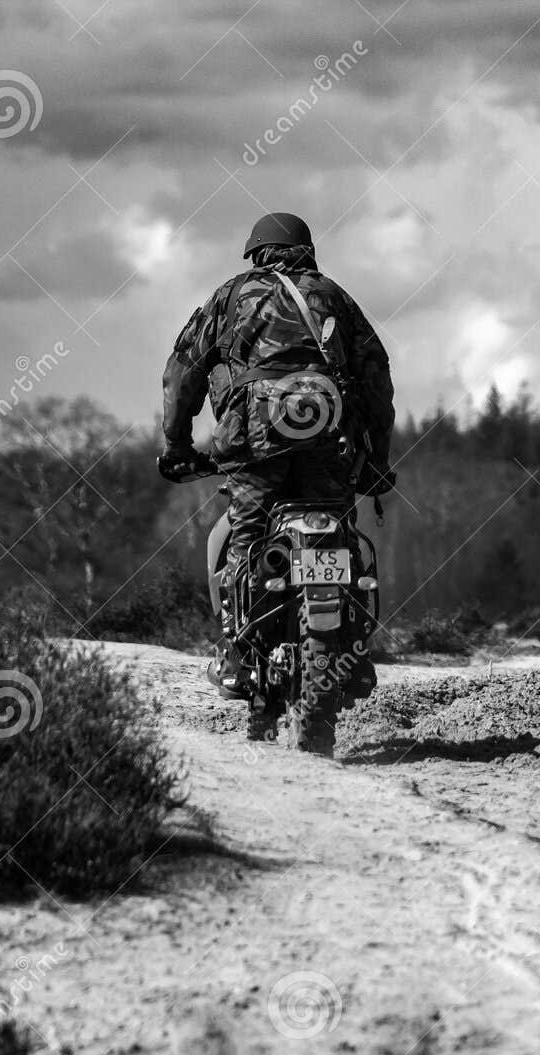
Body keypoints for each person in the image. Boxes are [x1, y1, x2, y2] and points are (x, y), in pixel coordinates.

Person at [158, 211, 396, 700]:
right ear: (307, 250)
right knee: (340, 533)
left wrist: (177, 444)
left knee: (244, 537)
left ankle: (237, 657)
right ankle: (354, 653)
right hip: (330, 442)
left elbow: (183, 372)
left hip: (253, 442)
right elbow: (377, 379)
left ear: (256, 252)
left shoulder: (230, 296)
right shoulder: (334, 297)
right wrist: (377, 457)